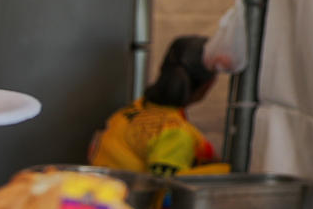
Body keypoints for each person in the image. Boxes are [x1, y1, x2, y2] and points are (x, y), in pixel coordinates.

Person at [90, 35, 228, 178]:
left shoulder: (138, 107)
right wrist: (226, 171)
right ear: (208, 85)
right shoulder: (175, 133)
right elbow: (166, 189)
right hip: (126, 197)